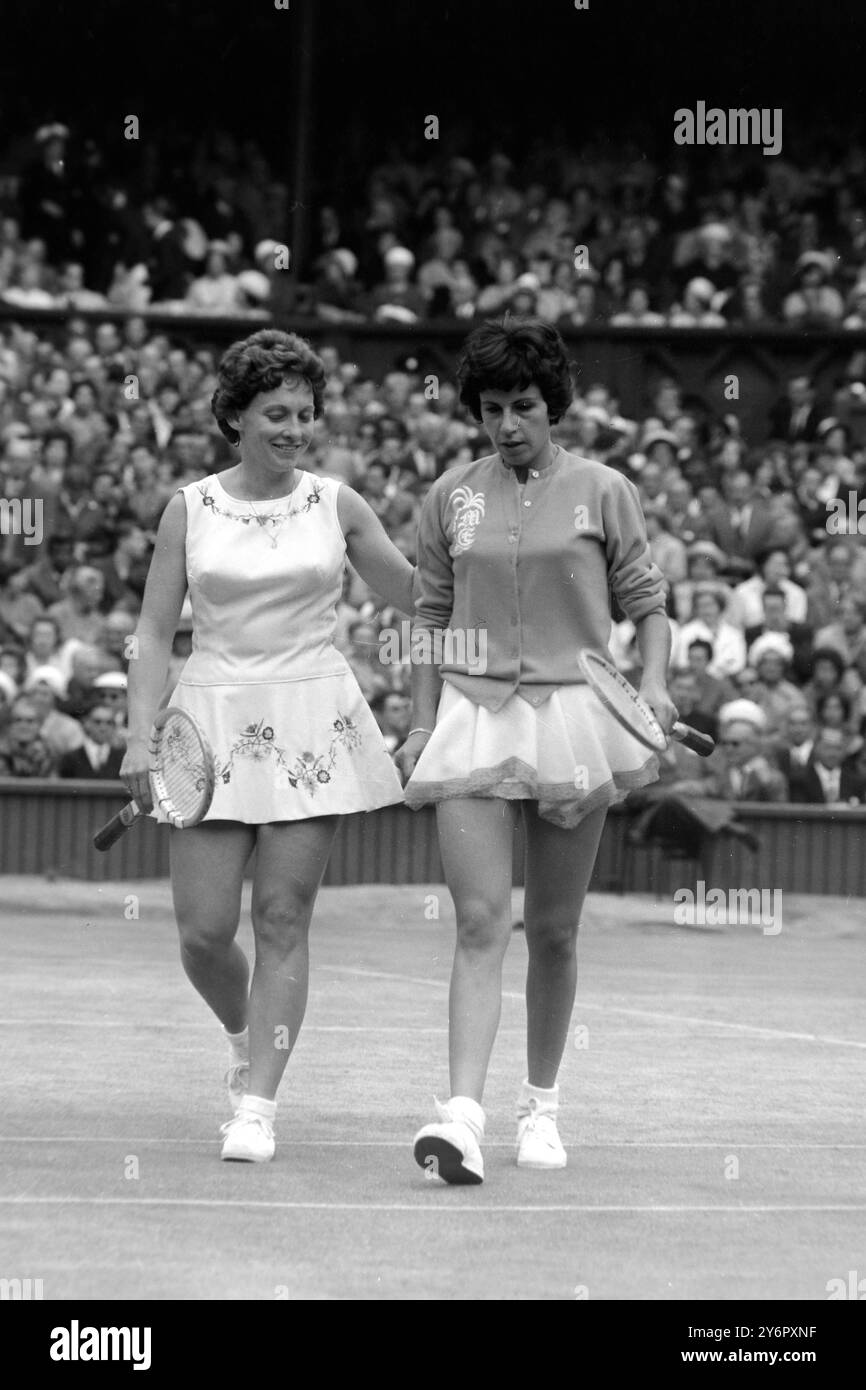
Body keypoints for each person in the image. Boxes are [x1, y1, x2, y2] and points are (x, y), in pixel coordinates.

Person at [121, 329, 415, 1164]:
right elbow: (150, 634)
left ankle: (257, 1105)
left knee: (283, 917)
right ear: (236, 417)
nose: (293, 428)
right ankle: (246, 1038)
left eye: (305, 413)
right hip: (206, 727)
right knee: (204, 934)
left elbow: (414, 594)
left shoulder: (338, 503)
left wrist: (502, 558)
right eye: (275, 413)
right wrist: (139, 738)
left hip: (314, 723)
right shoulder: (190, 507)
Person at [397, 318, 675, 1184]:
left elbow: (648, 602)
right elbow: (427, 621)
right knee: (480, 923)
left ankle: (541, 1111)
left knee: (552, 930)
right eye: (490, 409)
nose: (507, 423)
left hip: (574, 721)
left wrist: (655, 683)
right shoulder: (449, 496)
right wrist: (416, 722)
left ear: (552, 406)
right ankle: (464, 1118)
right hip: (473, 714)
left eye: (522, 406)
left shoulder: (605, 489)